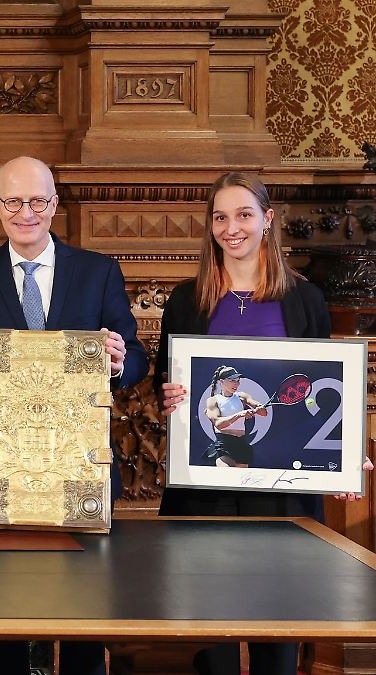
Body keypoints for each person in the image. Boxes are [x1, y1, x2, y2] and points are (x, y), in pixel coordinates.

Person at [155, 171, 370, 675]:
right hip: (206, 488)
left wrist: (345, 450)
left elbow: (323, 391)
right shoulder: (186, 302)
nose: (232, 228)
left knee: (280, 623)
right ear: (210, 226)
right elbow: (168, 390)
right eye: (221, 217)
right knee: (211, 630)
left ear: (268, 220)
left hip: (284, 490)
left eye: (244, 214)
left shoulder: (305, 300)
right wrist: (167, 395)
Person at [0, 156, 147, 675]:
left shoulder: (98, 272)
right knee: (0, 622)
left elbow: (137, 358)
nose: (25, 212)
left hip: (81, 474)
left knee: (83, 623)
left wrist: (120, 361)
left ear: (54, 205)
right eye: (13, 201)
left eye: (36, 201)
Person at [201, 365, 266, 467]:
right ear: (221, 382)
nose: (236, 384)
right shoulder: (213, 400)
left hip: (242, 444)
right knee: (228, 476)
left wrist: (259, 408)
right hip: (224, 444)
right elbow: (218, 424)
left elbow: (263, 412)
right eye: (232, 380)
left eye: (238, 380)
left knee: (240, 480)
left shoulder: (242, 396)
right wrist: (240, 414)